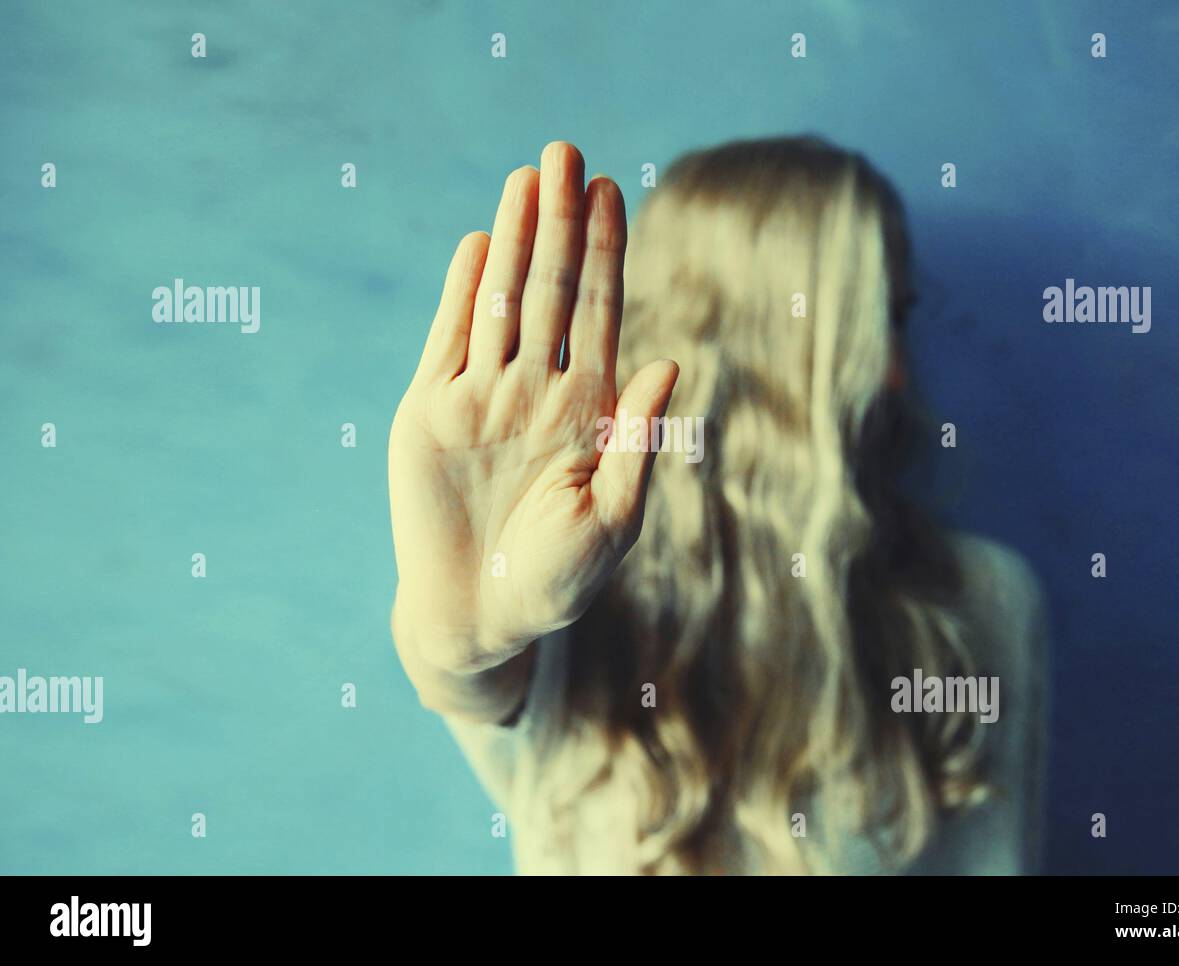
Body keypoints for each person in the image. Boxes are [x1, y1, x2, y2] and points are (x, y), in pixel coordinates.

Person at [387, 138, 1046, 875]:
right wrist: (462, 632)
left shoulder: (982, 600)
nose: (896, 374)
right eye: (873, 324)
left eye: (897, 315)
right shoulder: (574, 598)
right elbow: (463, 674)